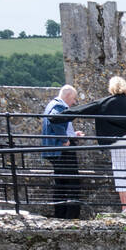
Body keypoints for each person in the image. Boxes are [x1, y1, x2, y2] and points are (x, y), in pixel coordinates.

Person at [68, 76, 126, 213]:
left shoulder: (104, 103)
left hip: (117, 143)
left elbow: (83, 109)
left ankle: (125, 207)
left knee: (120, 173)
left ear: (111, 88)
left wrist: (60, 116)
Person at [41, 84, 83, 218]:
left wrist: (72, 134)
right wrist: (65, 140)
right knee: (72, 182)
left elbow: (58, 124)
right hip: (62, 150)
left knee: (61, 182)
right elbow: (55, 120)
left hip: (56, 150)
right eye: (74, 99)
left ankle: (61, 214)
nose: (74, 102)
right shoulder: (59, 106)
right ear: (68, 96)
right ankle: (71, 215)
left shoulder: (52, 104)